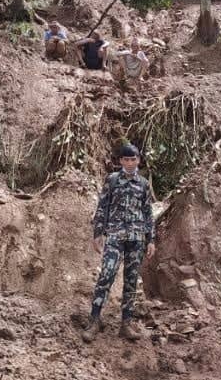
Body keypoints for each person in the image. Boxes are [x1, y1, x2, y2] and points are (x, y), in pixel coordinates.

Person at [82, 143, 155, 343]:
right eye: (126, 159)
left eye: (134, 159)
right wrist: (98, 233)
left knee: (131, 281)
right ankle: (94, 320)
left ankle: (126, 323)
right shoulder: (112, 180)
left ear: (139, 160)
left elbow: (148, 213)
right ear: (121, 161)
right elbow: (102, 207)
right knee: (106, 275)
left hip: (136, 239)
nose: (130, 163)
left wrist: (151, 240)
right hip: (114, 237)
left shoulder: (143, 184)